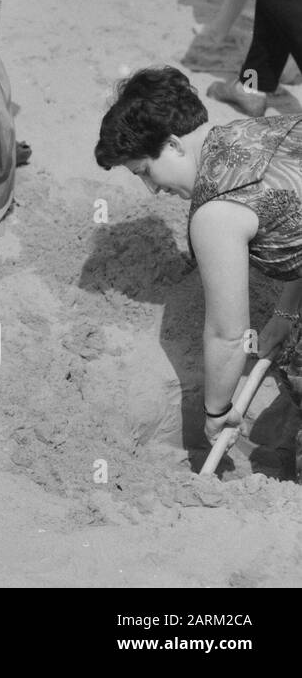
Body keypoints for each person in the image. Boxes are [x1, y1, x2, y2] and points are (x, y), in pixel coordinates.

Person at [95, 67, 302, 464]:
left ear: (172, 144)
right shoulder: (247, 132)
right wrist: (285, 311)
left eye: (144, 172)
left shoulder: (215, 213)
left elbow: (227, 334)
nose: (152, 190)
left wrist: (216, 412)